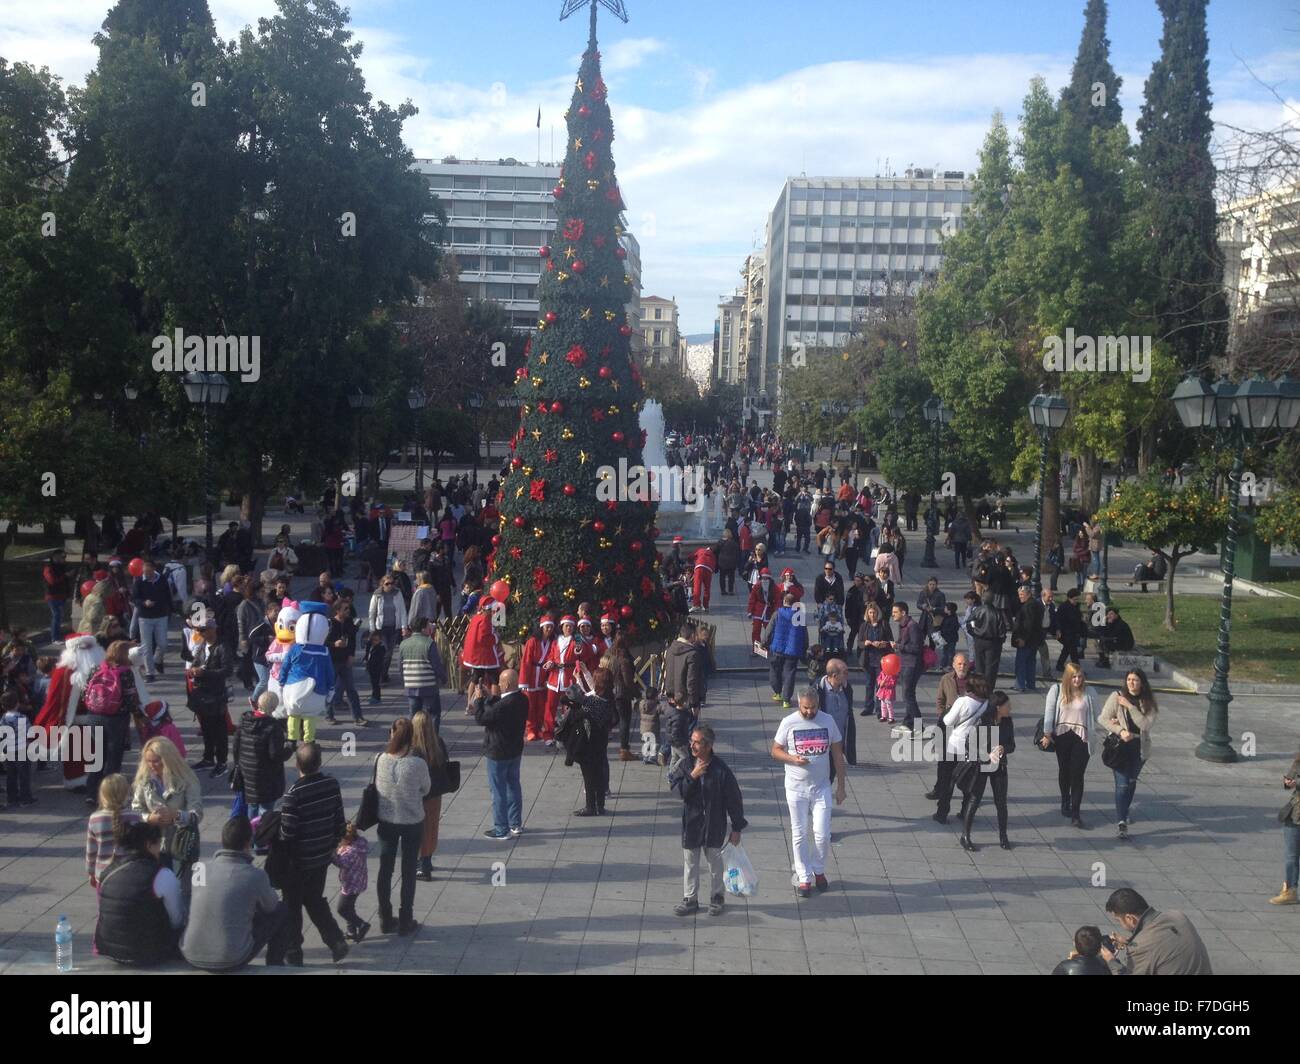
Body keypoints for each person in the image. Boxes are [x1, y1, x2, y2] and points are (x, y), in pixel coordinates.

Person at [272, 742, 350, 963]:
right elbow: (340, 823)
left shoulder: (293, 794)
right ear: (319, 762)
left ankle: (294, 951)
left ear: (297, 764)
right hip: (321, 858)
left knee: (292, 905)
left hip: (297, 862)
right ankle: (336, 940)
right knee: (314, 898)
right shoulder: (331, 785)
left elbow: (287, 834)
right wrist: (330, 845)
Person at [182, 816, 288, 970]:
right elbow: (271, 907)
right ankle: (275, 965)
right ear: (247, 843)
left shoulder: (200, 869)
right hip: (231, 958)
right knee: (282, 910)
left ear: (222, 839)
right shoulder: (255, 875)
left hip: (190, 953)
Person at [773, 688, 846, 899]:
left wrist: (841, 786)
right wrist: (792, 759)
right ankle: (804, 875)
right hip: (796, 788)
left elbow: (837, 754)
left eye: (813, 707)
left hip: (821, 787)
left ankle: (818, 869)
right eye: (805, 707)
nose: (809, 711)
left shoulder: (828, 720)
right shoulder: (789, 722)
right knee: (799, 832)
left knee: (822, 835)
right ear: (799, 703)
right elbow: (775, 750)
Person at [669, 723, 747, 917]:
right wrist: (692, 777)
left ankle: (717, 897)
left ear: (708, 745)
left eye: (697, 743)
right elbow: (679, 792)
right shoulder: (686, 765)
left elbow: (734, 799)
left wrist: (737, 827)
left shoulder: (721, 770)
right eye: (691, 741)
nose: (692, 746)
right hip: (692, 824)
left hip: (714, 825)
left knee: (715, 864)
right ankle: (690, 899)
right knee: (690, 863)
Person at [93, 821, 185, 966]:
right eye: (158, 844)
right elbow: (177, 919)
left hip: (109, 949)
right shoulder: (161, 874)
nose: (160, 849)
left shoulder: (109, 871)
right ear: (149, 845)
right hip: (148, 952)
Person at [373, 719, 430, 935]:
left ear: (391, 734)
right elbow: (426, 789)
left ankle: (385, 917)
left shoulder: (380, 759)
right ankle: (406, 918)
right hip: (411, 822)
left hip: (386, 821)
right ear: (411, 738)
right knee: (408, 870)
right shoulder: (417, 764)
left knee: (385, 868)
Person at [131, 736, 203, 882]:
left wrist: (175, 815)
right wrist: (148, 818)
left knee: (183, 888)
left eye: (156, 761)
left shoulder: (188, 778)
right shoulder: (144, 779)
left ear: (168, 759)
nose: (152, 765)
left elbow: (197, 814)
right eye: (148, 761)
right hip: (154, 844)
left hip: (182, 843)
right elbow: (135, 810)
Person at [1040, 662, 1101, 829]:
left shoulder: (1090, 692)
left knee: (1077, 774)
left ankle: (1076, 813)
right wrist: (1047, 733)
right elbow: (1049, 712)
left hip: (1082, 738)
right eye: (1074, 676)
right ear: (1067, 677)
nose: (1077, 680)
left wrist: (1114, 724)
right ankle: (1065, 799)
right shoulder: (1057, 690)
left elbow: (1099, 714)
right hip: (1062, 736)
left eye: (1080, 676)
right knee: (1064, 771)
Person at [469, 671, 528, 839]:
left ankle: (502, 828)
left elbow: (482, 718)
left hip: (498, 752)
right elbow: (497, 709)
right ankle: (515, 823)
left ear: (507, 684)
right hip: (515, 749)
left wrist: (480, 700)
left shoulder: (504, 705)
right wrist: (491, 697)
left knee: (498, 791)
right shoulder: (523, 699)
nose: (499, 686)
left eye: (501, 683)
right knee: (514, 786)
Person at [1099, 669, 1158, 840]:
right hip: (1121, 747)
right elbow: (1102, 718)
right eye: (1129, 679)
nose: (1131, 683)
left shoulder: (1149, 703)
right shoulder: (1116, 696)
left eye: (1135, 680)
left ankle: (1124, 809)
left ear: (1142, 683)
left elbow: (1145, 725)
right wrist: (1120, 730)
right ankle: (1121, 822)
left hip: (1140, 748)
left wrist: (1130, 706)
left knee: (1131, 782)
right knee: (1122, 785)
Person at [954, 687, 1014, 851]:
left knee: (1001, 802)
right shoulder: (982, 722)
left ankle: (1003, 836)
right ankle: (965, 836)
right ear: (998, 707)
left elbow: (1012, 745)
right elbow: (969, 745)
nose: (1010, 708)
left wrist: (1003, 748)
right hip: (980, 765)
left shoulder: (1007, 721)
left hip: (999, 765)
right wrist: (986, 754)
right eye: (1007, 706)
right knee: (974, 800)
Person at [1100, 888, 1212, 975]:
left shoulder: (1140, 947)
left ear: (1130, 918)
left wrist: (1111, 961)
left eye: (1119, 920)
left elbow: (1149, 946)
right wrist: (1130, 942)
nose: (1120, 924)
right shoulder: (1178, 916)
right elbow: (1164, 942)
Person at [84, 639, 142, 804]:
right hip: (116, 718)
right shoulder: (125, 672)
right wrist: (138, 714)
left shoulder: (96, 668)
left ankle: (91, 792)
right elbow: (130, 698)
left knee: (98, 755)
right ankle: (110, 795)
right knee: (113, 756)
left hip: (94, 716)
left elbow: (85, 692)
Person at [559, 667, 616, 817]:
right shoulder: (609, 699)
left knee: (589, 776)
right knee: (599, 773)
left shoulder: (594, 702)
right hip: (601, 742)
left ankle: (591, 806)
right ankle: (600, 805)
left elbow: (579, 714)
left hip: (589, 743)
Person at [232, 690, 294, 823]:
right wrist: (289, 748)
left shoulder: (244, 720)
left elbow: (236, 746)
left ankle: (251, 835)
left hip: (247, 773)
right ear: (273, 707)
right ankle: (261, 838)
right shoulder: (272, 726)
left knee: (252, 805)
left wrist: (240, 764)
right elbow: (275, 755)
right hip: (266, 777)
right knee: (265, 810)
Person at [411, 710, 454, 880]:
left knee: (418, 829)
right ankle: (426, 861)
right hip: (436, 793)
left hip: (418, 795)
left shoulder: (413, 748)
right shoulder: (438, 743)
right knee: (432, 827)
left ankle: (421, 866)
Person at [928, 652, 971, 815]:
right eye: (959, 664)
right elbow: (940, 699)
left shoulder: (974, 681)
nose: (962, 667)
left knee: (963, 765)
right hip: (947, 725)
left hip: (966, 728)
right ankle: (939, 789)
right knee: (943, 763)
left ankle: (962, 799)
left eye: (965, 664)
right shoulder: (946, 679)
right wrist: (941, 715)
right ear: (953, 664)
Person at [86, 773, 142, 887]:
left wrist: (91, 871)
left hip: (103, 874)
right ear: (127, 794)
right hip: (129, 872)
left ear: (102, 795)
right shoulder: (135, 817)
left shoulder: (95, 818)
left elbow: (91, 851)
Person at [399, 615, 447, 725]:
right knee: (433, 714)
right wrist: (444, 678)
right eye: (428, 626)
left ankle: (414, 739)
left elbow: (400, 667)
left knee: (413, 715)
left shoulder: (403, 644)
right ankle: (432, 739)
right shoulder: (429, 644)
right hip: (428, 686)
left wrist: (406, 679)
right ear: (422, 629)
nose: (430, 628)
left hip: (411, 686)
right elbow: (436, 666)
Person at [601, 630, 639, 762]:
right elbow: (627, 680)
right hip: (621, 693)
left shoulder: (608, 653)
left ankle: (599, 745)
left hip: (608, 691)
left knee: (612, 719)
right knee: (624, 721)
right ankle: (624, 750)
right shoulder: (624, 659)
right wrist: (636, 693)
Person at [132, 559, 173, 681]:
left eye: (149, 572)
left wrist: (171, 609)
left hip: (161, 615)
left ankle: (157, 660)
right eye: (145, 572)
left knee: (163, 643)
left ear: (154, 569)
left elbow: (167, 595)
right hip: (145, 617)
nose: (147, 574)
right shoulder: (139, 581)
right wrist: (144, 603)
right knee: (147, 646)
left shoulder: (162, 580)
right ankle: (150, 673)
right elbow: (135, 598)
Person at [767, 593, 807, 710]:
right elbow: (804, 634)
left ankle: (777, 693)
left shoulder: (777, 614)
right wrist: (804, 647)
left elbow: (769, 630)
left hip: (777, 648)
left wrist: (764, 642)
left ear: (784, 601)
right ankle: (786, 700)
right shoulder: (800, 616)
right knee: (790, 674)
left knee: (775, 669)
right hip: (793, 650)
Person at [332, 823, 371, 942]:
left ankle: (361, 925)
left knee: (342, 909)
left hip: (351, 884)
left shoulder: (350, 852)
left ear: (345, 839)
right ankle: (351, 931)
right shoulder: (359, 843)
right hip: (359, 880)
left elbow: (341, 863)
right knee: (349, 907)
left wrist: (332, 854)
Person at [520, 615, 556, 743]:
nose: (549, 629)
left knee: (541, 706)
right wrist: (523, 681)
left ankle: (539, 729)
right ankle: (530, 730)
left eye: (551, 627)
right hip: (531, 675)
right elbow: (526, 661)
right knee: (530, 706)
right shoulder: (532, 641)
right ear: (542, 628)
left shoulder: (552, 642)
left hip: (543, 676)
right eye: (547, 627)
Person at [889, 602, 924, 736]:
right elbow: (902, 642)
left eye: (895, 612)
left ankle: (919, 726)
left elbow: (916, 648)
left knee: (908, 695)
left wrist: (899, 646)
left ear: (903, 613)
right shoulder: (902, 625)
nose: (893, 615)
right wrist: (897, 645)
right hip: (904, 663)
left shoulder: (912, 626)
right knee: (908, 694)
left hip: (912, 665)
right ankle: (908, 722)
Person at [368, 575, 408, 684]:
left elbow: (402, 611)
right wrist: (372, 629)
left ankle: (384, 673)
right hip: (381, 628)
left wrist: (404, 626)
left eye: (392, 583)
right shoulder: (377, 595)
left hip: (394, 627)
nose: (390, 585)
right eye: (387, 584)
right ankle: (381, 674)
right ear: (382, 584)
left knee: (390, 653)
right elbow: (372, 613)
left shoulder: (397, 593)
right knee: (385, 651)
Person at [1272, 751, 1300, 905]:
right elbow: (1289, 781)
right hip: (1294, 813)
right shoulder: (1298, 762)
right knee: (1291, 856)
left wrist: (1297, 784)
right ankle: (1290, 890)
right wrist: (1287, 782)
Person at [816, 659, 856, 767]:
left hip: (839, 744)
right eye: (845, 673)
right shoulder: (817, 690)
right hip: (823, 745)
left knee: (833, 775)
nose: (848, 675)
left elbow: (849, 714)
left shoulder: (847, 688)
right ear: (834, 675)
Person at [964, 591, 1006, 691]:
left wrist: (974, 634)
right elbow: (1002, 630)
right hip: (993, 642)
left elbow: (969, 623)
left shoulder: (978, 610)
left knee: (979, 665)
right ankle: (988, 688)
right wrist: (1000, 641)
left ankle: (978, 687)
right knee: (991, 667)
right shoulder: (996, 612)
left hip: (979, 640)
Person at [1010, 585, 1043, 693]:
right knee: (1030, 662)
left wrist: (1023, 638)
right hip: (1034, 640)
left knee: (1021, 662)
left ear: (1029, 594)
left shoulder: (1028, 606)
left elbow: (1028, 625)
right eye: (1019, 594)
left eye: (1022, 594)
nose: (1020, 597)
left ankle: (1020, 684)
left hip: (1027, 640)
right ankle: (1030, 683)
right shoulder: (1036, 604)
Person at [42, 550, 72, 645]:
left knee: (59, 616)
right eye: (59, 557)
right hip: (52, 596)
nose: (61, 559)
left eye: (63, 557)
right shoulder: (48, 568)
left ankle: (57, 636)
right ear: (53, 557)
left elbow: (65, 583)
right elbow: (52, 581)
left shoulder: (62, 567)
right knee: (56, 615)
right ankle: (55, 638)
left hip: (61, 595)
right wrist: (65, 576)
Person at [1055, 587, 1084, 671]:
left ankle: (1060, 665)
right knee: (1073, 651)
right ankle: (1077, 669)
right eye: (1075, 599)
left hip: (1072, 633)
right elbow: (1059, 620)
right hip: (1065, 633)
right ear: (1069, 598)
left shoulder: (1075, 606)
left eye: (1077, 599)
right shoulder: (1064, 607)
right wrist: (1059, 630)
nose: (1076, 601)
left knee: (1067, 649)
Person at [715, 529, 741, 595]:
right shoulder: (733, 543)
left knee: (722, 577)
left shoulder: (720, 542)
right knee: (731, 577)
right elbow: (737, 552)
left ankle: (723, 590)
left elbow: (716, 552)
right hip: (731, 562)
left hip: (722, 562)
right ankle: (730, 590)